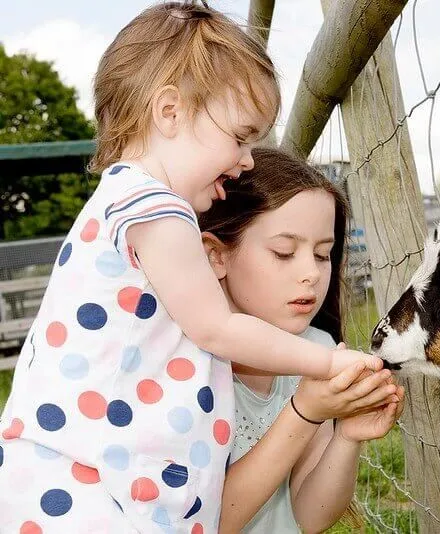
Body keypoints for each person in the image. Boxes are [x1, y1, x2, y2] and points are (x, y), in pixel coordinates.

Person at [0, 3, 380, 532]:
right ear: (171, 112)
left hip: (86, 480)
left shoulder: (126, 202)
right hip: (79, 486)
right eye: (241, 136)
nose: (247, 159)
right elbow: (218, 328)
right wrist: (328, 365)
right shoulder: (156, 207)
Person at [199, 148, 404, 533]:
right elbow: (208, 523)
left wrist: (346, 436)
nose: (311, 273)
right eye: (284, 252)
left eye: (323, 254)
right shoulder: (187, 367)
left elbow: (310, 517)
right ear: (216, 256)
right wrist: (304, 411)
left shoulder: (318, 348)